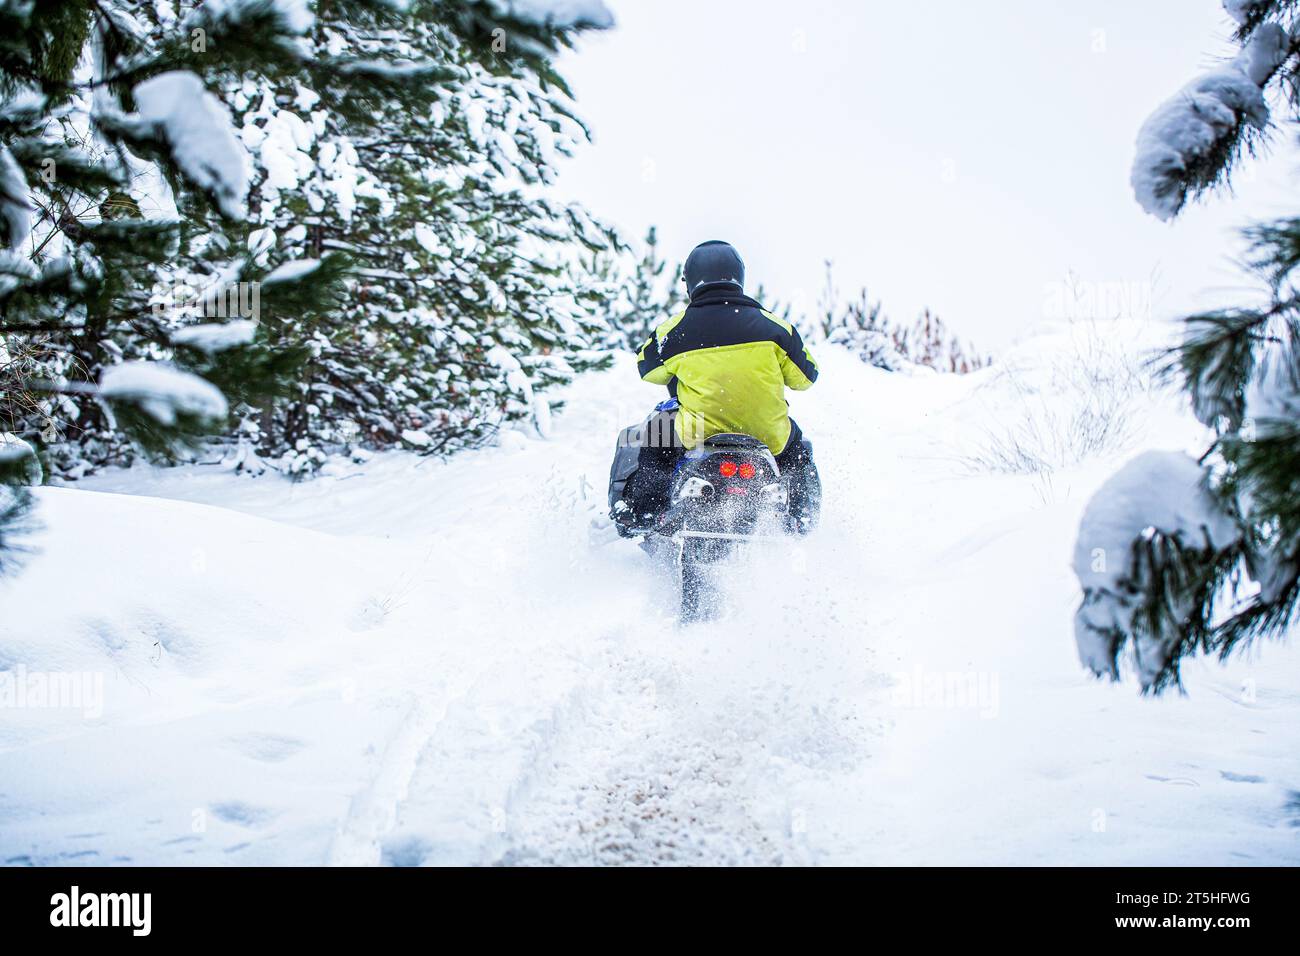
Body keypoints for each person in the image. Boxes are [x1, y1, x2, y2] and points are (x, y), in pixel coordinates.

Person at [609, 239, 820, 534]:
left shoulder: (673, 331)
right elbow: (807, 378)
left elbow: (647, 369)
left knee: (652, 441)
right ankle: (801, 518)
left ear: (691, 280)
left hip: (697, 431)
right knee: (798, 451)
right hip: (767, 433)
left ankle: (646, 513)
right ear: (739, 277)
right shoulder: (777, 329)